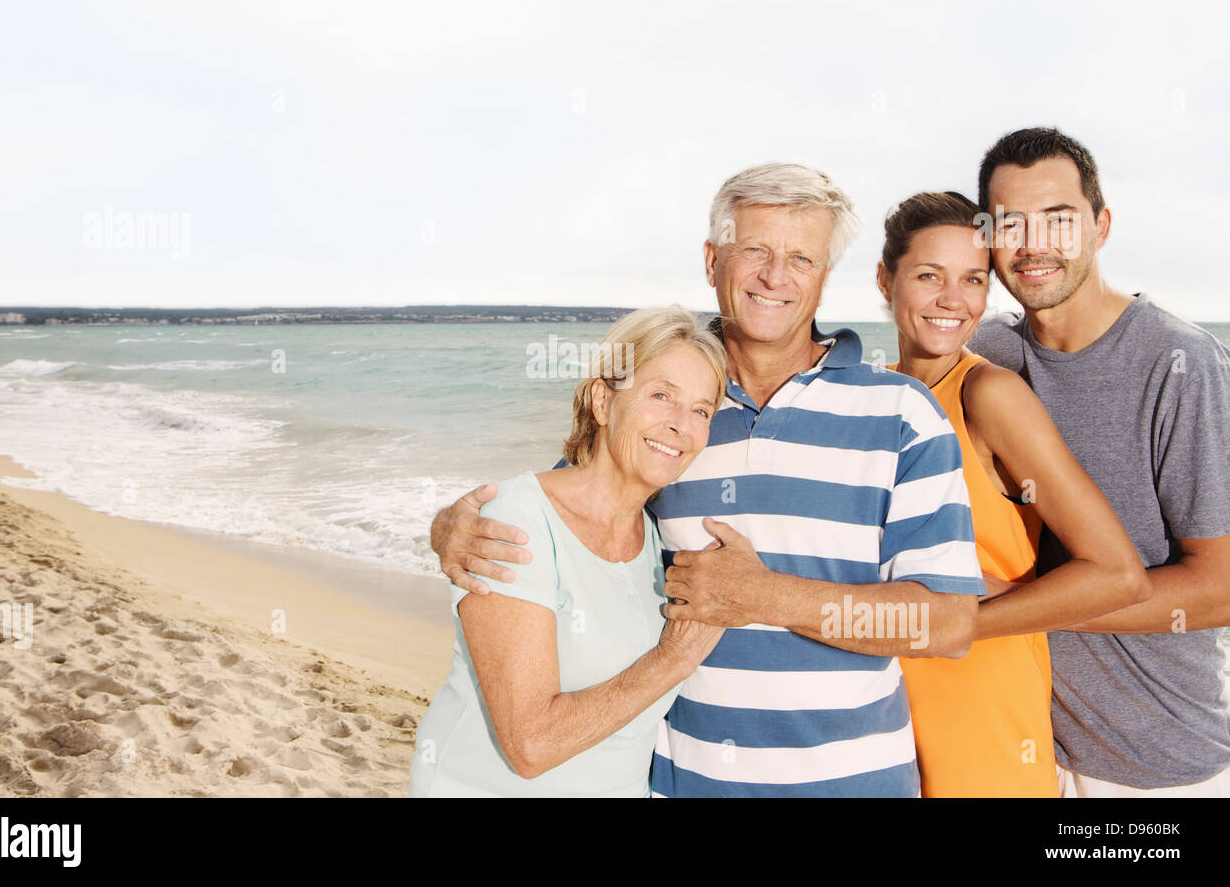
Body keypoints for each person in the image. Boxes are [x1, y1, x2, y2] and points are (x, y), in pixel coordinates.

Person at [431, 164, 986, 797]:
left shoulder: (903, 413)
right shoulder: (671, 411)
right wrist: (451, 526)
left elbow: (946, 625)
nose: (776, 277)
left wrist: (766, 597)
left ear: (824, 277)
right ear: (711, 259)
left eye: (802, 258)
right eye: (755, 250)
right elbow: (562, 514)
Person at [968, 127, 1230, 796]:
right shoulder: (987, 355)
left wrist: (1017, 608)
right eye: (1010, 223)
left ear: (1101, 226)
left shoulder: (1180, 363)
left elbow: (1219, 587)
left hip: (1160, 767)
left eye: (1059, 219)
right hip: (1027, 752)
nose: (1033, 245)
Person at [875, 190, 1149, 797]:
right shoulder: (870, 397)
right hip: (882, 702)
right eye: (929, 276)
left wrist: (962, 618)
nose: (953, 299)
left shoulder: (989, 393)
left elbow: (1118, 575)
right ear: (883, 279)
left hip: (982, 703)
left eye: (973, 279)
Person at [409, 306, 729, 797]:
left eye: (702, 410)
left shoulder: (657, 539)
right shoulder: (517, 520)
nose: (681, 426)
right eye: (660, 395)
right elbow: (531, 744)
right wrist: (674, 659)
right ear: (603, 402)